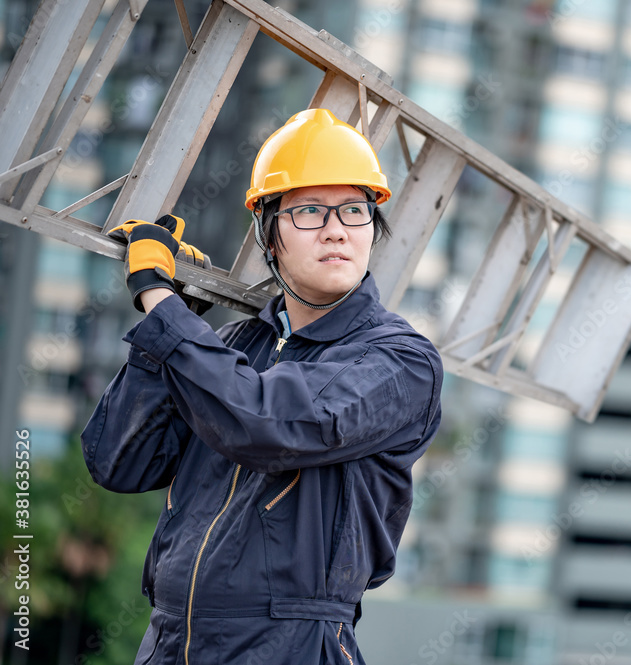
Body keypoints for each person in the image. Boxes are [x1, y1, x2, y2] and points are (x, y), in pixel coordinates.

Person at [81, 108, 443, 665]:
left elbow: (269, 425)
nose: (336, 229)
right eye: (308, 212)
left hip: (290, 646)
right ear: (268, 234)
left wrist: (160, 302)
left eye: (354, 209)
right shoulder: (227, 348)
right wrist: (170, 333)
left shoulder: (399, 361)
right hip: (171, 641)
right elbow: (120, 463)